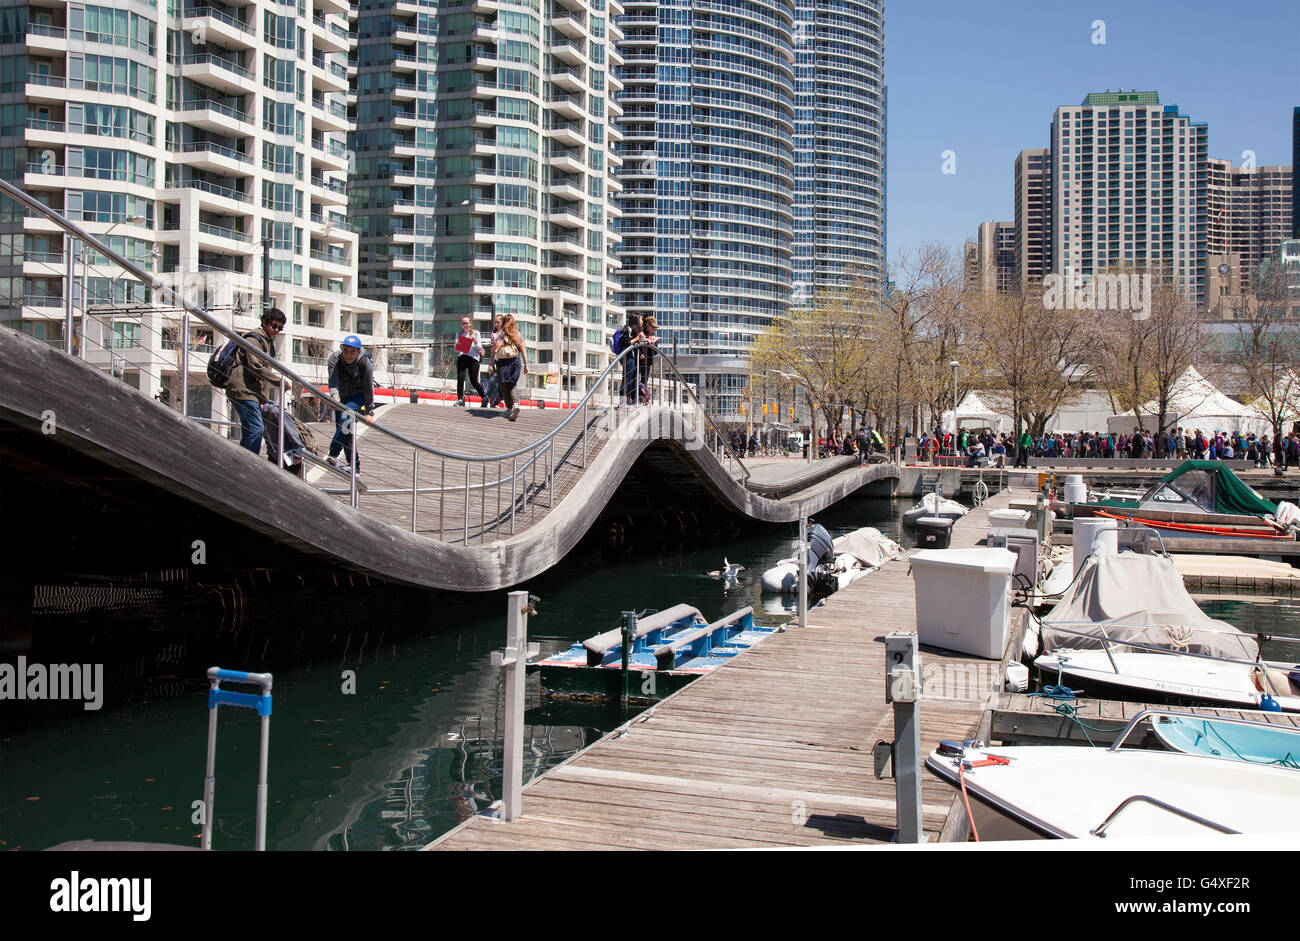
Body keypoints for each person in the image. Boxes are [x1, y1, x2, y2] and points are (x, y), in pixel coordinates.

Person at [225, 307, 286, 456]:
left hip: (250, 392)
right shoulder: (254, 339)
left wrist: (261, 397)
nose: (277, 330)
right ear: (264, 322)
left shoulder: (265, 340)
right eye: (274, 326)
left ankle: (242, 462)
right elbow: (256, 366)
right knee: (255, 429)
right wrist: (279, 381)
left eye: (280, 327)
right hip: (243, 390)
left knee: (251, 430)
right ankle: (248, 464)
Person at [326, 335, 376, 473]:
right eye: (345, 350)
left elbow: (368, 389)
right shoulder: (335, 359)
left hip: (357, 395)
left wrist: (369, 412)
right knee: (345, 430)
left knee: (345, 419)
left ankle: (333, 454)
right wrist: (334, 397)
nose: (348, 355)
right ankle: (354, 466)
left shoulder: (365, 363)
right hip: (341, 396)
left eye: (352, 351)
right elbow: (333, 380)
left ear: (359, 351)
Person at [492, 313, 528, 421]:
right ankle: (515, 406)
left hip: (503, 362)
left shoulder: (501, 334)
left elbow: (495, 348)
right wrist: (526, 365)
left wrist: (491, 362)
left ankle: (509, 408)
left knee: (503, 385)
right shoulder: (518, 334)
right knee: (512, 384)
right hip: (516, 361)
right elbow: (522, 350)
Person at [453, 317, 486, 407]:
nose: (465, 325)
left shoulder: (476, 333)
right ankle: (460, 399)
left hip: (473, 358)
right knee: (460, 378)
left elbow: (480, 348)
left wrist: (475, 341)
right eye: (463, 323)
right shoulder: (459, 334)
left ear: (470, 324)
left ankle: (484, 397)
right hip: (462, 357)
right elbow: (456, 349)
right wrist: (456, 344)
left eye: (467, 323)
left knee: (474, 381)